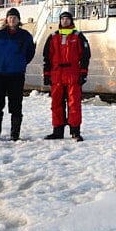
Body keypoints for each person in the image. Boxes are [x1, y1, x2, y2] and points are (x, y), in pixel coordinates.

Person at [0, 7, 35, 141]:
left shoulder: (25, 36)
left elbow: (30, 53)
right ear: (6, 19)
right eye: (10, 17)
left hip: (16, 75)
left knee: (16, 105)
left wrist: (20, 63)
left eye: (15, 17)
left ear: (19, 20)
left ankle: (15, 134)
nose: (12, 19)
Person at [42, 11, 91, 140]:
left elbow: (85, 56)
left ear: (71, 21)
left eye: (67, 19)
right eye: (62, 19)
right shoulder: (53, 37)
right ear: (60, 21)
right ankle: (57, 131)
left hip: (72, 74)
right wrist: (47, 74)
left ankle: (75, 131)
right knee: (56, 103)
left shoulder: (78, 36)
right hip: (57, 74)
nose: (65, 21)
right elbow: (47, 57)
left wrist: (83, 73)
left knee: (74, 104)